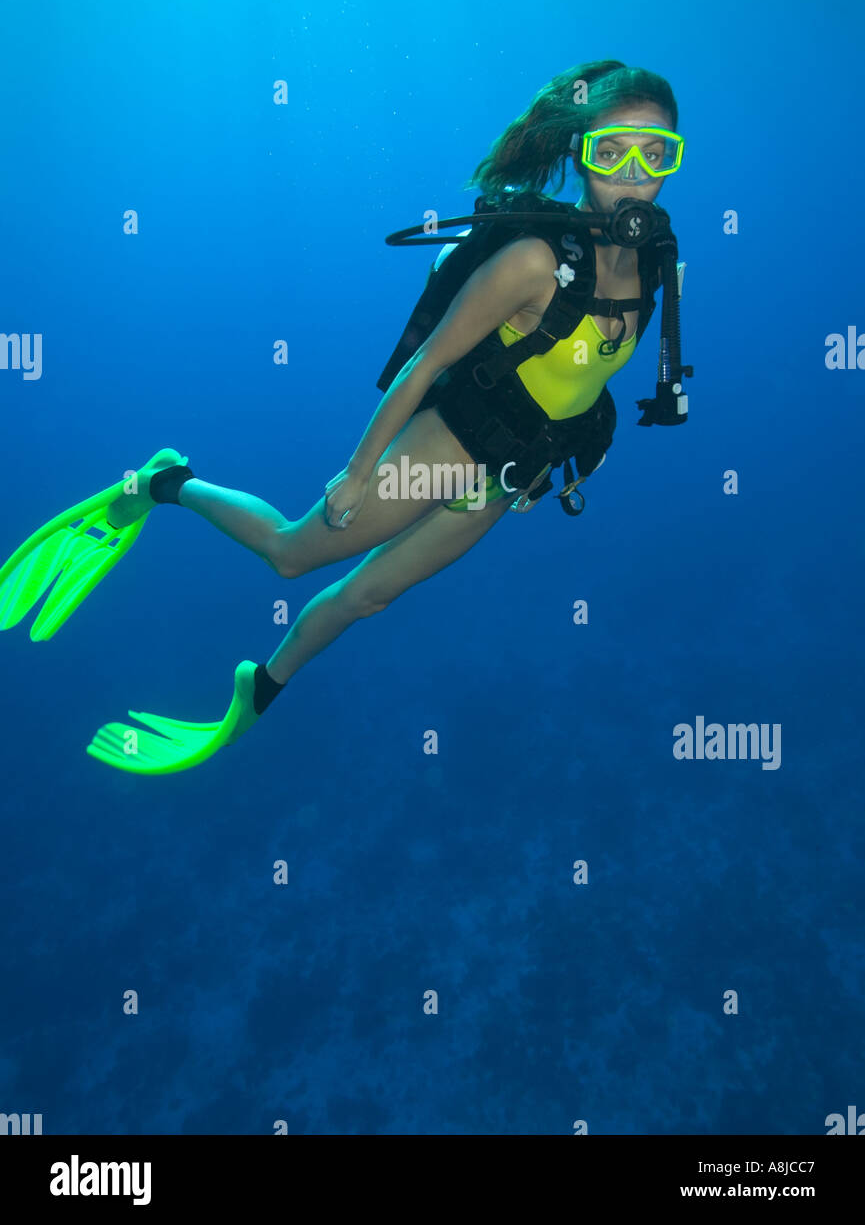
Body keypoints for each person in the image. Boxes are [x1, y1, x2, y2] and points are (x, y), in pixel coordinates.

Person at [0, 60, 686, 772]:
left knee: (369, 596)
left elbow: (586, 376)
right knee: (292, 556)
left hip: (510, 473)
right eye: (611, 151)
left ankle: (253, 699)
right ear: (579, 151)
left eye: (656, 153)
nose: (633, 174)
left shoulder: (660, 264)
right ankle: (164, 482)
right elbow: (425, 367)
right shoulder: (531, 263)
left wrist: (563, 463)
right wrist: (359, 474)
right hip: (447, 444)